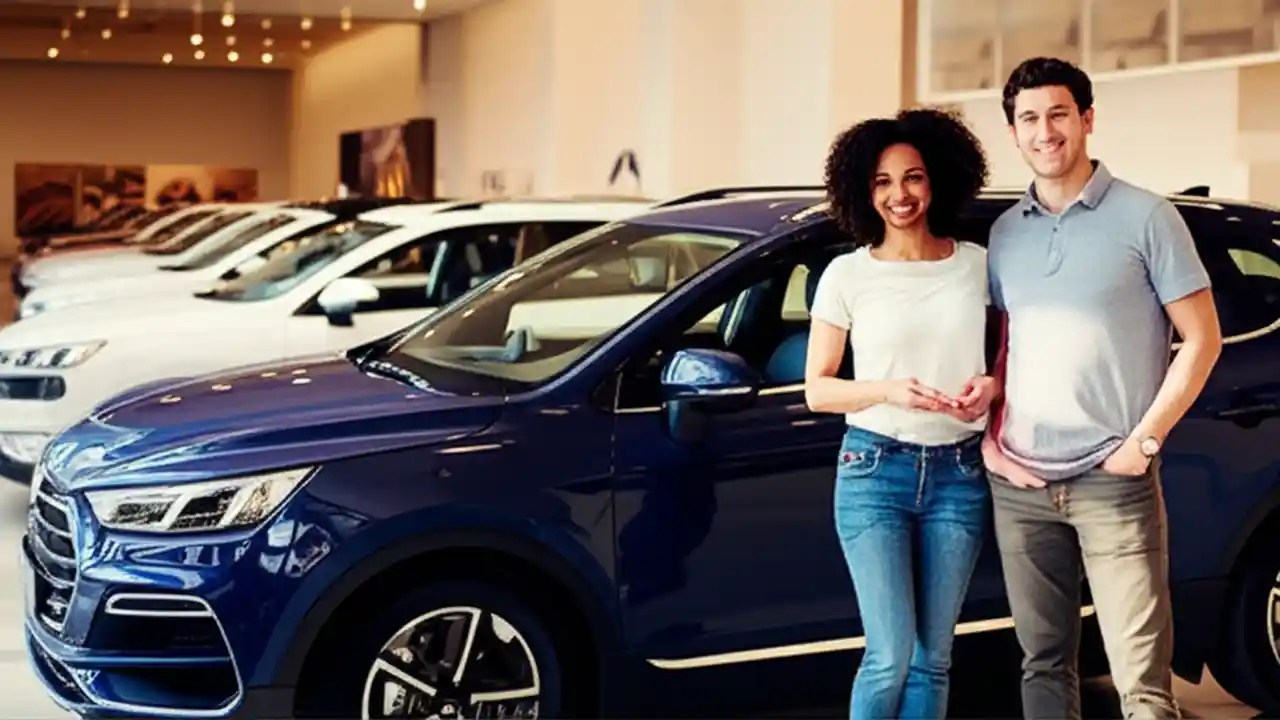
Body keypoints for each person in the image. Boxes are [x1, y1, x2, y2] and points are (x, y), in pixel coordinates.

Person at [982, 57, 1223, 720]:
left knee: (1141, 684)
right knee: (1043, 664)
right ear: (1013, 131)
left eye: (1058, 113)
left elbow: (1203, 340)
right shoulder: (1005, 234)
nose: (1044, 130)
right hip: (1021, 487)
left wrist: (1143, 444)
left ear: (1087, 119)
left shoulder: (1147, 216)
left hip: (1113, 482)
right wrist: (991, 443)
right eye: (1028, 118)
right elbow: (1005, 347)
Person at [804, 107, 1000, 719]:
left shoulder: (977, 264)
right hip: (873, 472)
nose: (900, 195)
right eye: (883, 183)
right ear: (864, 191)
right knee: (889, 653)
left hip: (960, 475)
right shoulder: (847, 274)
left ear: (937, 179)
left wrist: (992, 387)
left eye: (912, 178)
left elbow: (1011, 353)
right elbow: (818, 389)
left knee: (931, 658)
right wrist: (889, 389)